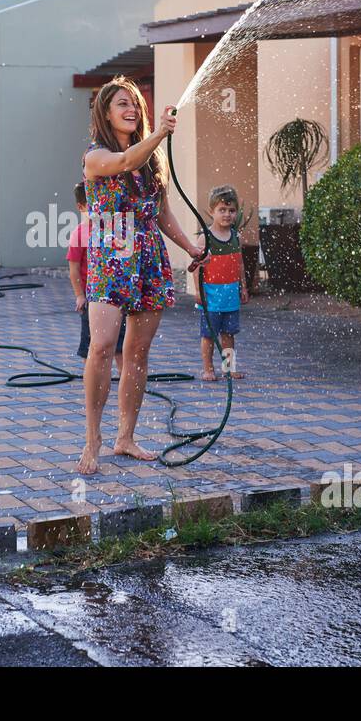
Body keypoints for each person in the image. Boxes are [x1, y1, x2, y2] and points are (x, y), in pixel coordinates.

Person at [79, 76, 206, 474]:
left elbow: (162, 212)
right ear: (105, 112)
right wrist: (159, 136)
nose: (132, 109)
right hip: (112, 257)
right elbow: (123, 162)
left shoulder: (152, 160)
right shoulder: (95, 156)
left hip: (149, 258)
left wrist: (190, 247)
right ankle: (92, 439)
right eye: (122, 104)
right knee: (101, 347)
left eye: (135, 103)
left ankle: (125, 437)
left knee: (137, 351)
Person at [66, 181, 125, 377]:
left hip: (115, 295)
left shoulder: (113, 230)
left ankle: (125, 375)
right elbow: (73, 269)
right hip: (91, 298)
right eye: (91, 205)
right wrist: (79, 295)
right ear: (81, 207)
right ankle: (92, 377)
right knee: (91, 341)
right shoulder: (79, 234)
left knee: (120, 342)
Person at [195, 185, 249, 381]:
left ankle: (228, 367)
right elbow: (199, 268)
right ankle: (208, 369)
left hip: (230, 294)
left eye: (231, 210)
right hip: (211, 295)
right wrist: (199, 292)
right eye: (222, 210)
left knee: (229, 334)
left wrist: (243, 286)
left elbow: (239, 264)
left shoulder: (236, 238)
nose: (227, 214)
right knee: (209, 335)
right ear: (212, 212)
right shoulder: (205, 239)